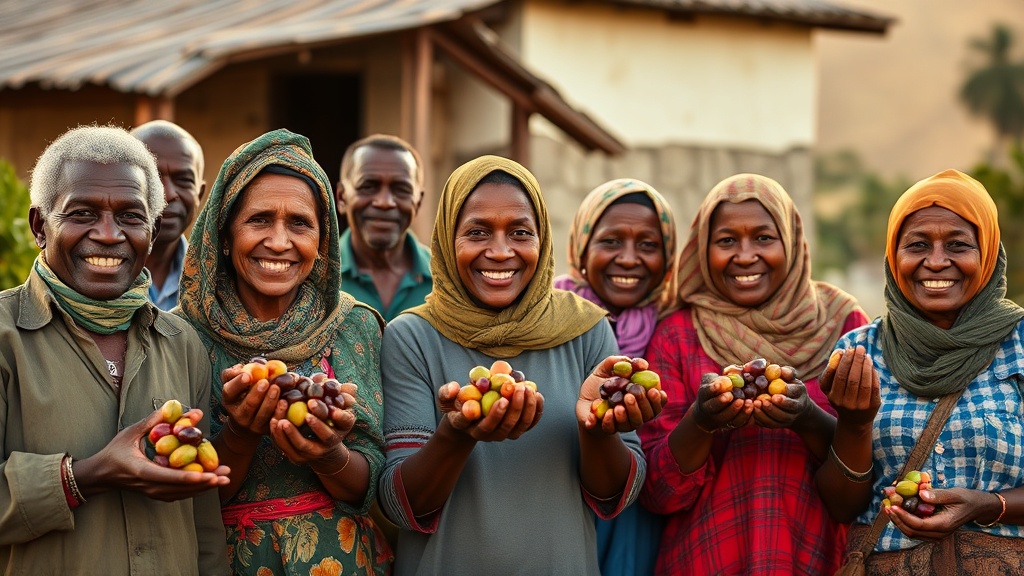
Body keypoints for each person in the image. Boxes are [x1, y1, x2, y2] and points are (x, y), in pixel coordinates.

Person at [378, 155, 667, 576]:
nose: (500, 251)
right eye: (477, 232)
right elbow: (400, 506)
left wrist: (598, 430)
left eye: (520, 232)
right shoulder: (412, 337)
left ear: (542, 239)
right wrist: (456, 435)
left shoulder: (585, 330)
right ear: (445, 238)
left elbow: (614, 496)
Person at [0, 125, 230, 574]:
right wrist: (84, 477)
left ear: (154, 228)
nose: (108, 235)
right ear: (39, 227)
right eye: (82, 213)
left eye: (130, 216)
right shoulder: (6, 335)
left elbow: (203, 523)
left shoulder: (182, 343)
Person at [177, 129, 393, 575]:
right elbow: (184, 497)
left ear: (324, 238)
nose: (279, 242)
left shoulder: (353, 325)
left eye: (299, 223)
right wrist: (240, 434)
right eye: (258, 220)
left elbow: (371, 484)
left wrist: (328, 454)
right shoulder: (180, 334)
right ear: (224, 232)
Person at [639, 173, 869, 575]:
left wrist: (807, 419)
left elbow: (871, 468)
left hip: (815, 557)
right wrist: (701, 420)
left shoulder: (843, 324)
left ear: (792, 243)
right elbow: (658, 494)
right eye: (726, 240)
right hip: (703, 560)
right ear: (702, 248)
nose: (745, 256)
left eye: (764, 238)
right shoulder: (677, 334)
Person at [817, 169, 1024, 573]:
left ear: (988, 254)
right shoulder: (860, 351)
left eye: (958, 245)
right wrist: (855, 424)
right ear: (894, 256)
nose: (936, 262)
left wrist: (986, 506)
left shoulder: (1019, 345)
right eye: (917, 245)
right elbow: (842, 506)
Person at [554, 178, 677, 576]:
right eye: (610, 241)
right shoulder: (547, 319)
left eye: (648, 245)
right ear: (582, 247)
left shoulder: (677, 328)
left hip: (641, 517)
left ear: (668, 257)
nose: (628, 259)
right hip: (561, 502)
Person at [336, 134, 432, 321]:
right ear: (341, 197)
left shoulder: (446, 282)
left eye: (401, 189)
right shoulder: (314, 279)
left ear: (418, 202)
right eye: (368, 186)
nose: (385, 202)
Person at [130, 120, 207, 311]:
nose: (169, 193)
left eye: (184, 180)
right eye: (153, 179)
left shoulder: (216, 285)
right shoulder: (92, 275)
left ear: (199, 193)